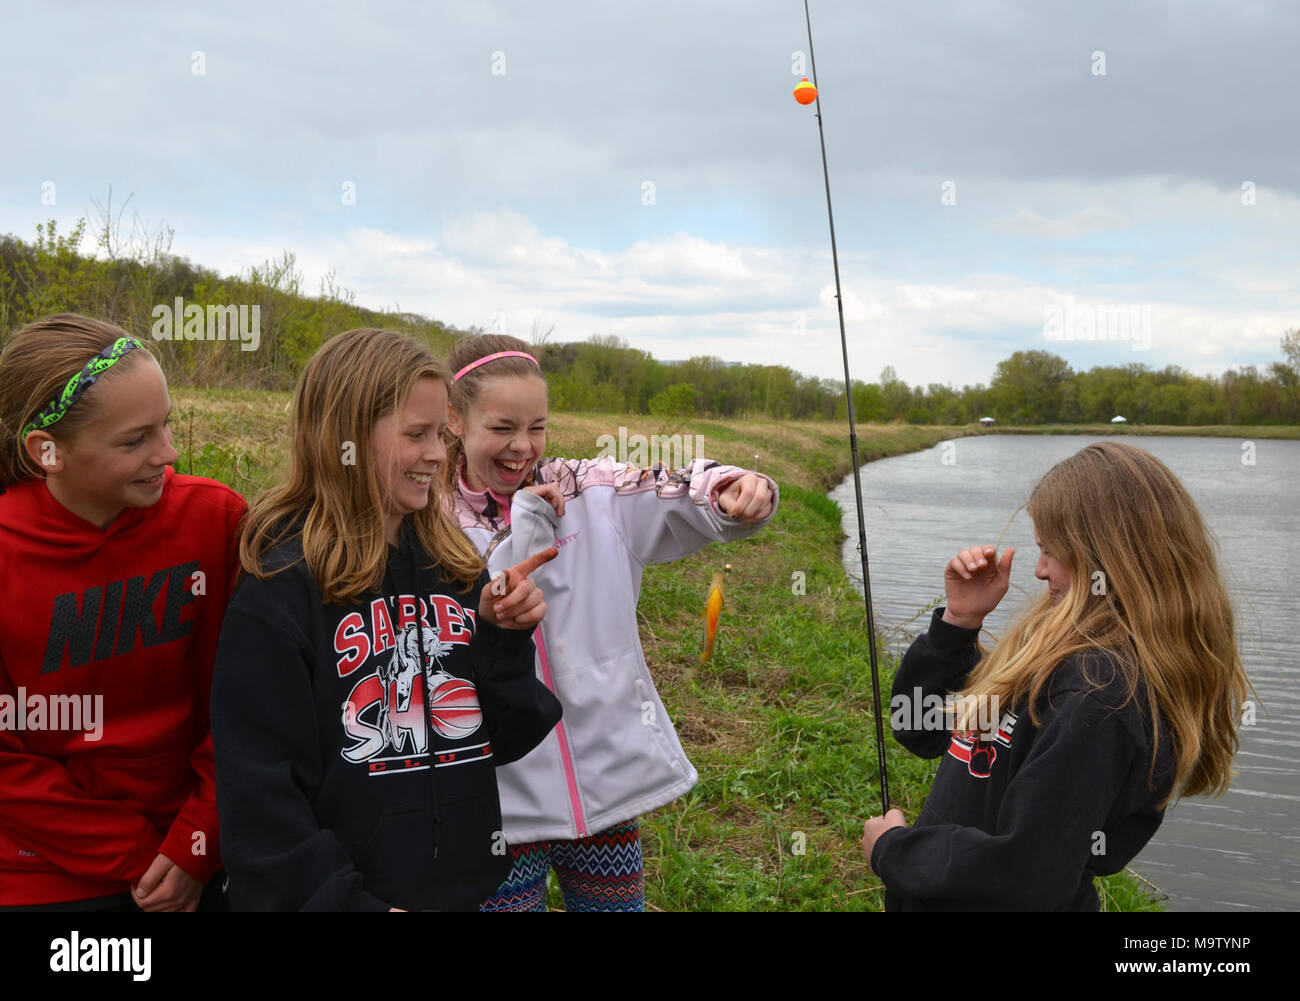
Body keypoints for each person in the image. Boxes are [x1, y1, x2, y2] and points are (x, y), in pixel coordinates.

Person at [210, 328, 562, 911]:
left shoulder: (453, 567)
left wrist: (503, 637)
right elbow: (261, 795)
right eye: (416, 435)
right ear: (344, 439)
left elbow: (504, 738)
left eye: (441, 434)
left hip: (463, 893)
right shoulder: (282, 584)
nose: (437, 454)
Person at [443, 334, 778, 912]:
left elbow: (675, 487)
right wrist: (523, 524)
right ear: (454, 418)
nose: (522, 446)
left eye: (537, 426)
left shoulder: (592, 490)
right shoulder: (428, 518)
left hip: (606, 788)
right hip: (495, 797)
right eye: (502, 427)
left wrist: (734, 490)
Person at [862, 441, 1252, 911]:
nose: (1039, 569)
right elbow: (921, 729)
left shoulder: (1101, 696)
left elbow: (1030, 871)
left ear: (1108, 556)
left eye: (1050, 550)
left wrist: (894, 851)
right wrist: (958, 626)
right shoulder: (1051, 650)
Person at [0, 314, 245, 912]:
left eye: (165, 424)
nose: (169, 452)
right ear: (47, 450)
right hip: (43, 869)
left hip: (200, 846)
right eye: (135, 440)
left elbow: (247, 701)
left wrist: (196, 842)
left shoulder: (213, 521)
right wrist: (136, 856)